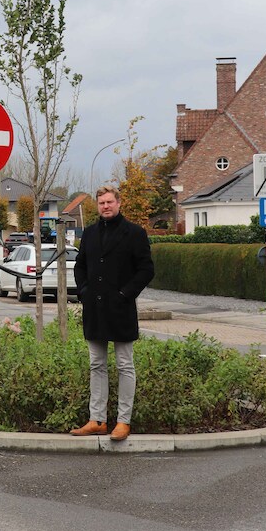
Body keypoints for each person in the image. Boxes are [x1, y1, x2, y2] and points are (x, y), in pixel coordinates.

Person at [69, 184, 155, 441]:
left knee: (125, 365)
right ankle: (97, 420)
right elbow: (80, 266)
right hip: (94, 309)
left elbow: (146, 270)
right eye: (101, 203)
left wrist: (124, 295)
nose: (105, 206)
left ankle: (123, 421)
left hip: (121, 309)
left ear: (118, 203)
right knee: (96, 364)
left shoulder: (134, 233)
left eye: (109, 202)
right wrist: (83, 290)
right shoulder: (90, 233)